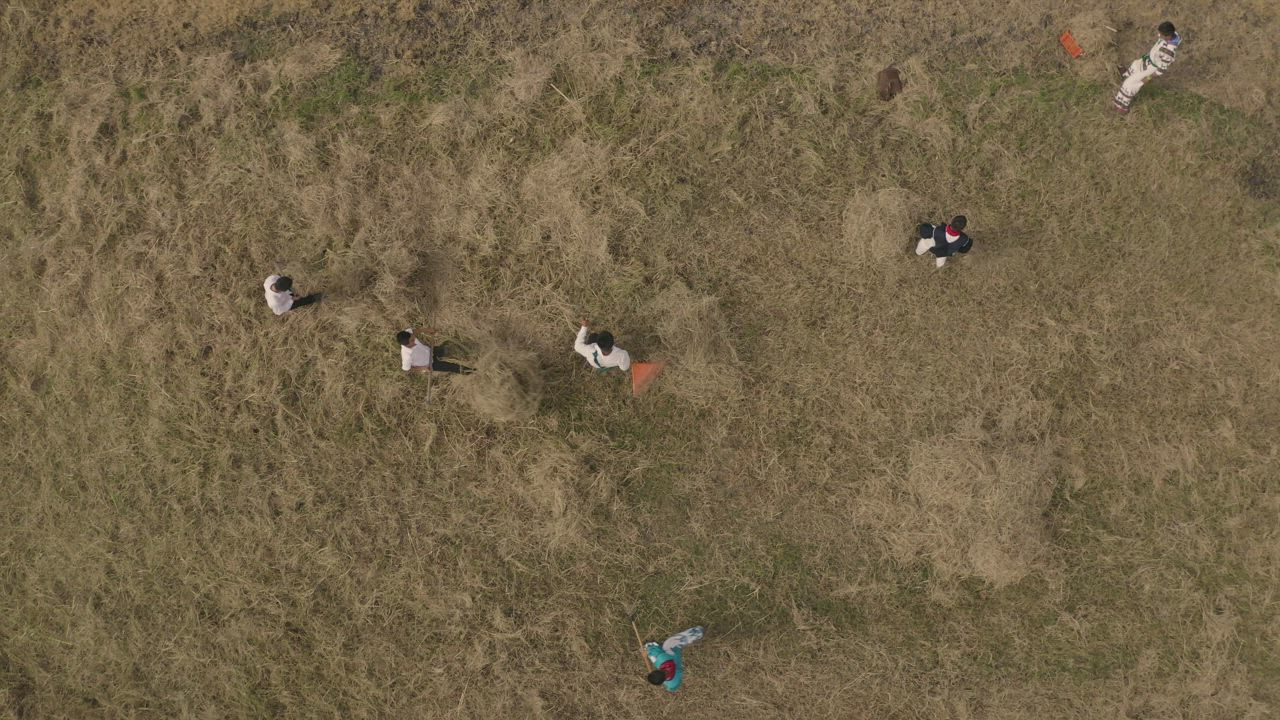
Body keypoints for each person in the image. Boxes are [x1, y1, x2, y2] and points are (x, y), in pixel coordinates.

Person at [1114, 21, 1181, 114]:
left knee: (1129, 84)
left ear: (1168, 36)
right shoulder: (1173, 35)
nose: (1159, 36)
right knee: (1135, 65)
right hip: (1148, 60)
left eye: (1161, 35)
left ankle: (1122, 106)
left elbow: (1162, 69)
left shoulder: (1168, 52)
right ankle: (1126, 74)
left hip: (1151, 68)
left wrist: (1148, 78)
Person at [645, 626, 705, 693]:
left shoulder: (672, 683)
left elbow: (673, 688)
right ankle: (697, 632)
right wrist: (648, 648)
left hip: (677, 663)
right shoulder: (662, 660)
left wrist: (669, 689)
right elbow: (654, 650)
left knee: (657, 655)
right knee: (668, 643)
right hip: (674, 652)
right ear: (657, 669)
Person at [397, 328, 473, 374]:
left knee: (449, 349)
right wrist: (423, 368)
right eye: (412, 341)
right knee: (452, 367)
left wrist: (428, 330)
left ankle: (469, 354)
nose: (414, 340)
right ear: (406, 345)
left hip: (431, 351)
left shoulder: (408, 333)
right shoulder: (406, 356)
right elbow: (407, 369)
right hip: (430, 364)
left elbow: (416, 331)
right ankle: (472, 371)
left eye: (413, 338)